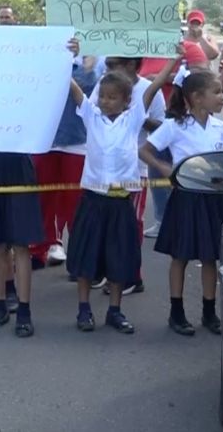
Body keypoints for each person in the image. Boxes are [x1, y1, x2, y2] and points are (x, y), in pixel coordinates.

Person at [140, 50, 223, 336]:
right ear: (197, 98)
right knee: (181, 255)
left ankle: (209, 312)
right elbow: (145, 150)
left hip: (214, 198)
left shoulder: (221, 127)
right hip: (186, 197)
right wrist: (165, 167)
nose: (222, 96)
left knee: (210, 256)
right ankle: (177, 312)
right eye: (217, 91)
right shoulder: (175, 126)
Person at [65, 69, 147, 335]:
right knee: (87, 256)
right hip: (93, 198)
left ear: (127, 101)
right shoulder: (93, 118)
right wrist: (63, 63)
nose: (105, 101)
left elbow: (155, 87)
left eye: (113, 97)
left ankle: (115, 310)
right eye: (103, 96)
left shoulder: (132, 121)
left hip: (121, 200)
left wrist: (175, 60)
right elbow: (77, 93)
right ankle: (84, 308)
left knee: (119, 256)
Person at [95, 57, 166, 292]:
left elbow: (163, 128)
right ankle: (110, 271)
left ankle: (132, 276)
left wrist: (136, 119)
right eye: (109, 65)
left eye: (116, 64)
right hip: (105, 171)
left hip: (135, 170)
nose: (110, 70)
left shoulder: (148, 90)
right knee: (107, 224)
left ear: (132, 65)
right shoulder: (103, 85)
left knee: (130, 223)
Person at [29, 50, 97, 269]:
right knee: (42, 199)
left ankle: (78, 256)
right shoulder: (39, 66)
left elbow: (88, 85)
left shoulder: (86, 64)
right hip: (44, 141)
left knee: (75, 203)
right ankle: (39, 250)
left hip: (75, 143)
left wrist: (79, 62)